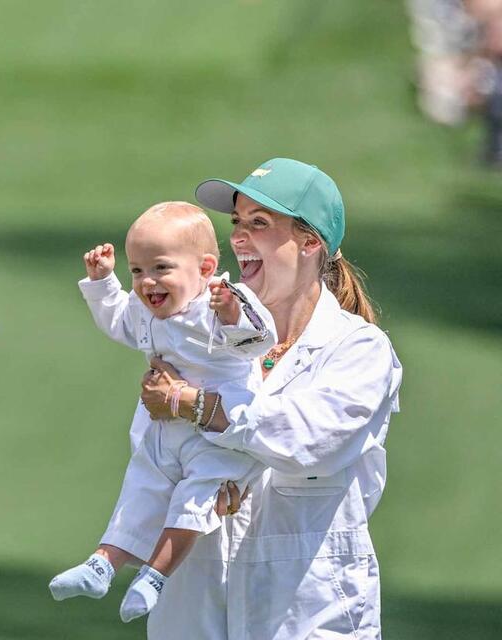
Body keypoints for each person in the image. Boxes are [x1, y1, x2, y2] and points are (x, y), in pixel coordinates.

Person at [139, 159, 402, 639]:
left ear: (310, 242)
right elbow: (156, 444)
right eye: (237, 222)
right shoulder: (196, 329)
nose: (238, 238)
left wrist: (198, 406)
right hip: (195, 603)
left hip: (307, 613)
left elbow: (306, 442)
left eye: (260, 224)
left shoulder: (359, 349)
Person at [48, 203, 277, 623]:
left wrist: (232, 313)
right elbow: (119, 321)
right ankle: (103, 563)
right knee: (142, 486)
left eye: (161, 268)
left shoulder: (219, 302)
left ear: (206, 268)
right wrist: (103, 283)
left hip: (220, 432)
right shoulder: (147, 310)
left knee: (194, 498)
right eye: (136, 271)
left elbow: (260, 341)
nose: (147, 282)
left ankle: (155, 574)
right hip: (166, 429)